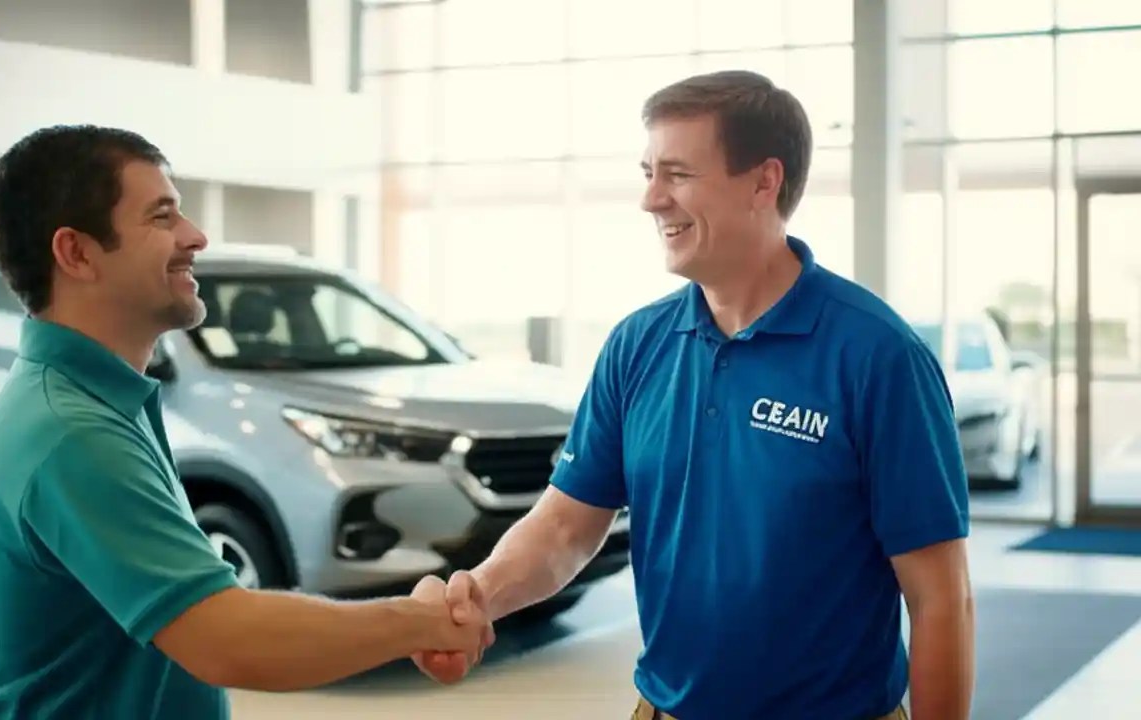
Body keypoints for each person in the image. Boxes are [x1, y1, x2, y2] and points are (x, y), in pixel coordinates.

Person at [415, 71, 975, 719]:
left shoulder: (877, 356)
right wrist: (477, 598)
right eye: (648, 172)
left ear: (764, 183)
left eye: (677, 174)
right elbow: (566, 526)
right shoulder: (637, 345)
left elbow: (940, 598)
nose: (651, 200)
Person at [0, 125, 491, 720]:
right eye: (162, 217)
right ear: (77, 253)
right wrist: (419, 623)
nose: (195, 236)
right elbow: (225, 638)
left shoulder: (93, 401)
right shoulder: (70, 431)